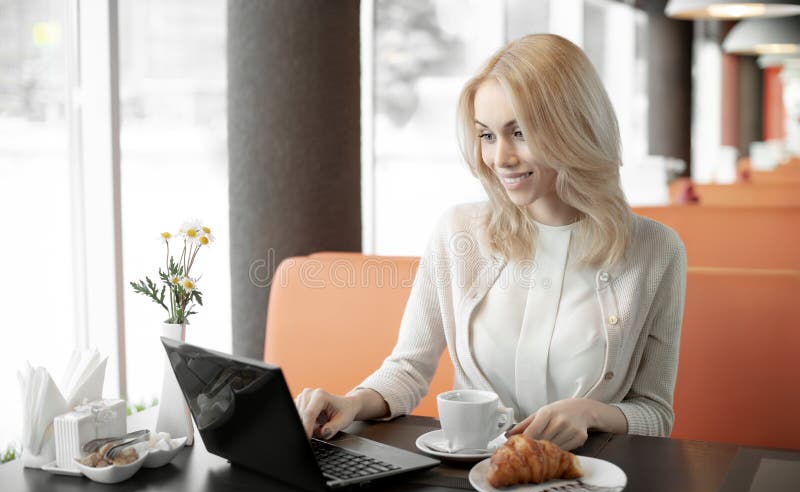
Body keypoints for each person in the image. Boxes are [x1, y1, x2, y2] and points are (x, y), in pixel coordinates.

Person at [294, 34, 686, 451]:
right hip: (471, 481)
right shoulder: (457, 232)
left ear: (575, 128)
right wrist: (351, 402)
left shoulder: (656, 251)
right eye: (487, 135)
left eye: (519, 132)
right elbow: (408, 369)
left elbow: (655, 413)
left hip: (584, 483)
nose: (500, 158)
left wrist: (590, 413)